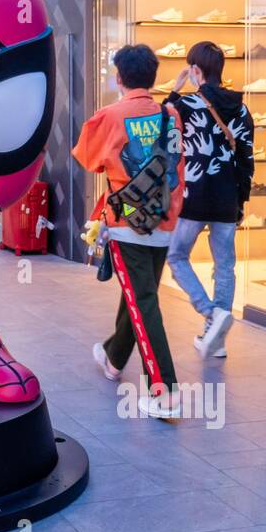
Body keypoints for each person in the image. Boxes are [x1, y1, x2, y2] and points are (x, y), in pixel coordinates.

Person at [71, 44, 186, 418]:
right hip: (165, 220)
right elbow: (177, 167)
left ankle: (164, 391)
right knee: (140, 293)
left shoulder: (111, 116)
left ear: (120, 78)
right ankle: (113, 356)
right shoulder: (171, 116)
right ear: (152, 77)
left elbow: (87, 159)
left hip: (126, 224)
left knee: (144, 301)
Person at [163, 41, 255, 358]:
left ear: (196, 71)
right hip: (227, 199)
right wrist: (241, 201)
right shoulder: (241, 108)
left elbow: (162, 131)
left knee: (176, 257)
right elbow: (246, 159)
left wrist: (175, 91)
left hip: (194, 199)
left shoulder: (185, 105)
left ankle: (212, 316)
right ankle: (216, 340)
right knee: (225, 266)